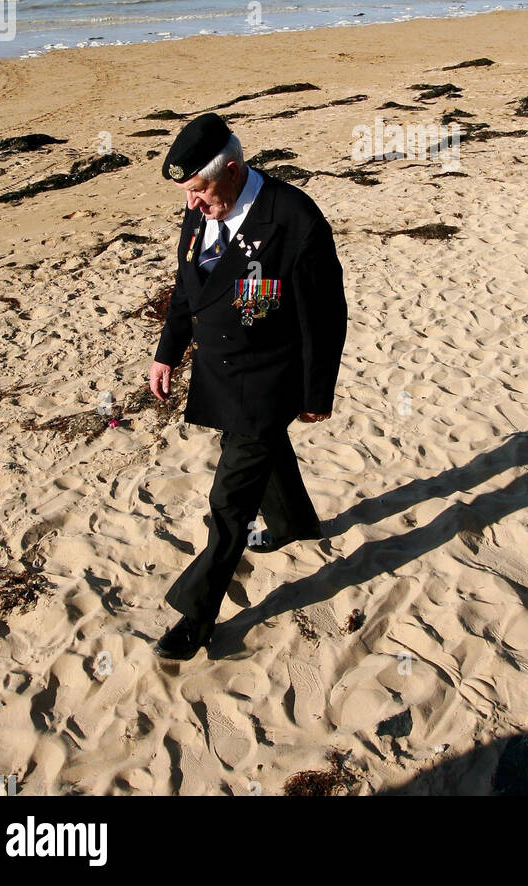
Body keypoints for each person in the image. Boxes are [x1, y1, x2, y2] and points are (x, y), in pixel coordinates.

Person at [148, 112, 347, 660]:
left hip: (268, 379)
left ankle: (197, 616)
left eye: (200, 190)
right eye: (187, 193)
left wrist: (315, 393)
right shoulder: (199, 211)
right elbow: (188, 289)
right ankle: (295, 522)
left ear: (233, 170)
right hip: (219, 373)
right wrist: (168, 353)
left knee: (228, 501)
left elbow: (324, 315)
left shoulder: (294, 219)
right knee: (259, 460)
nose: (192, 204)